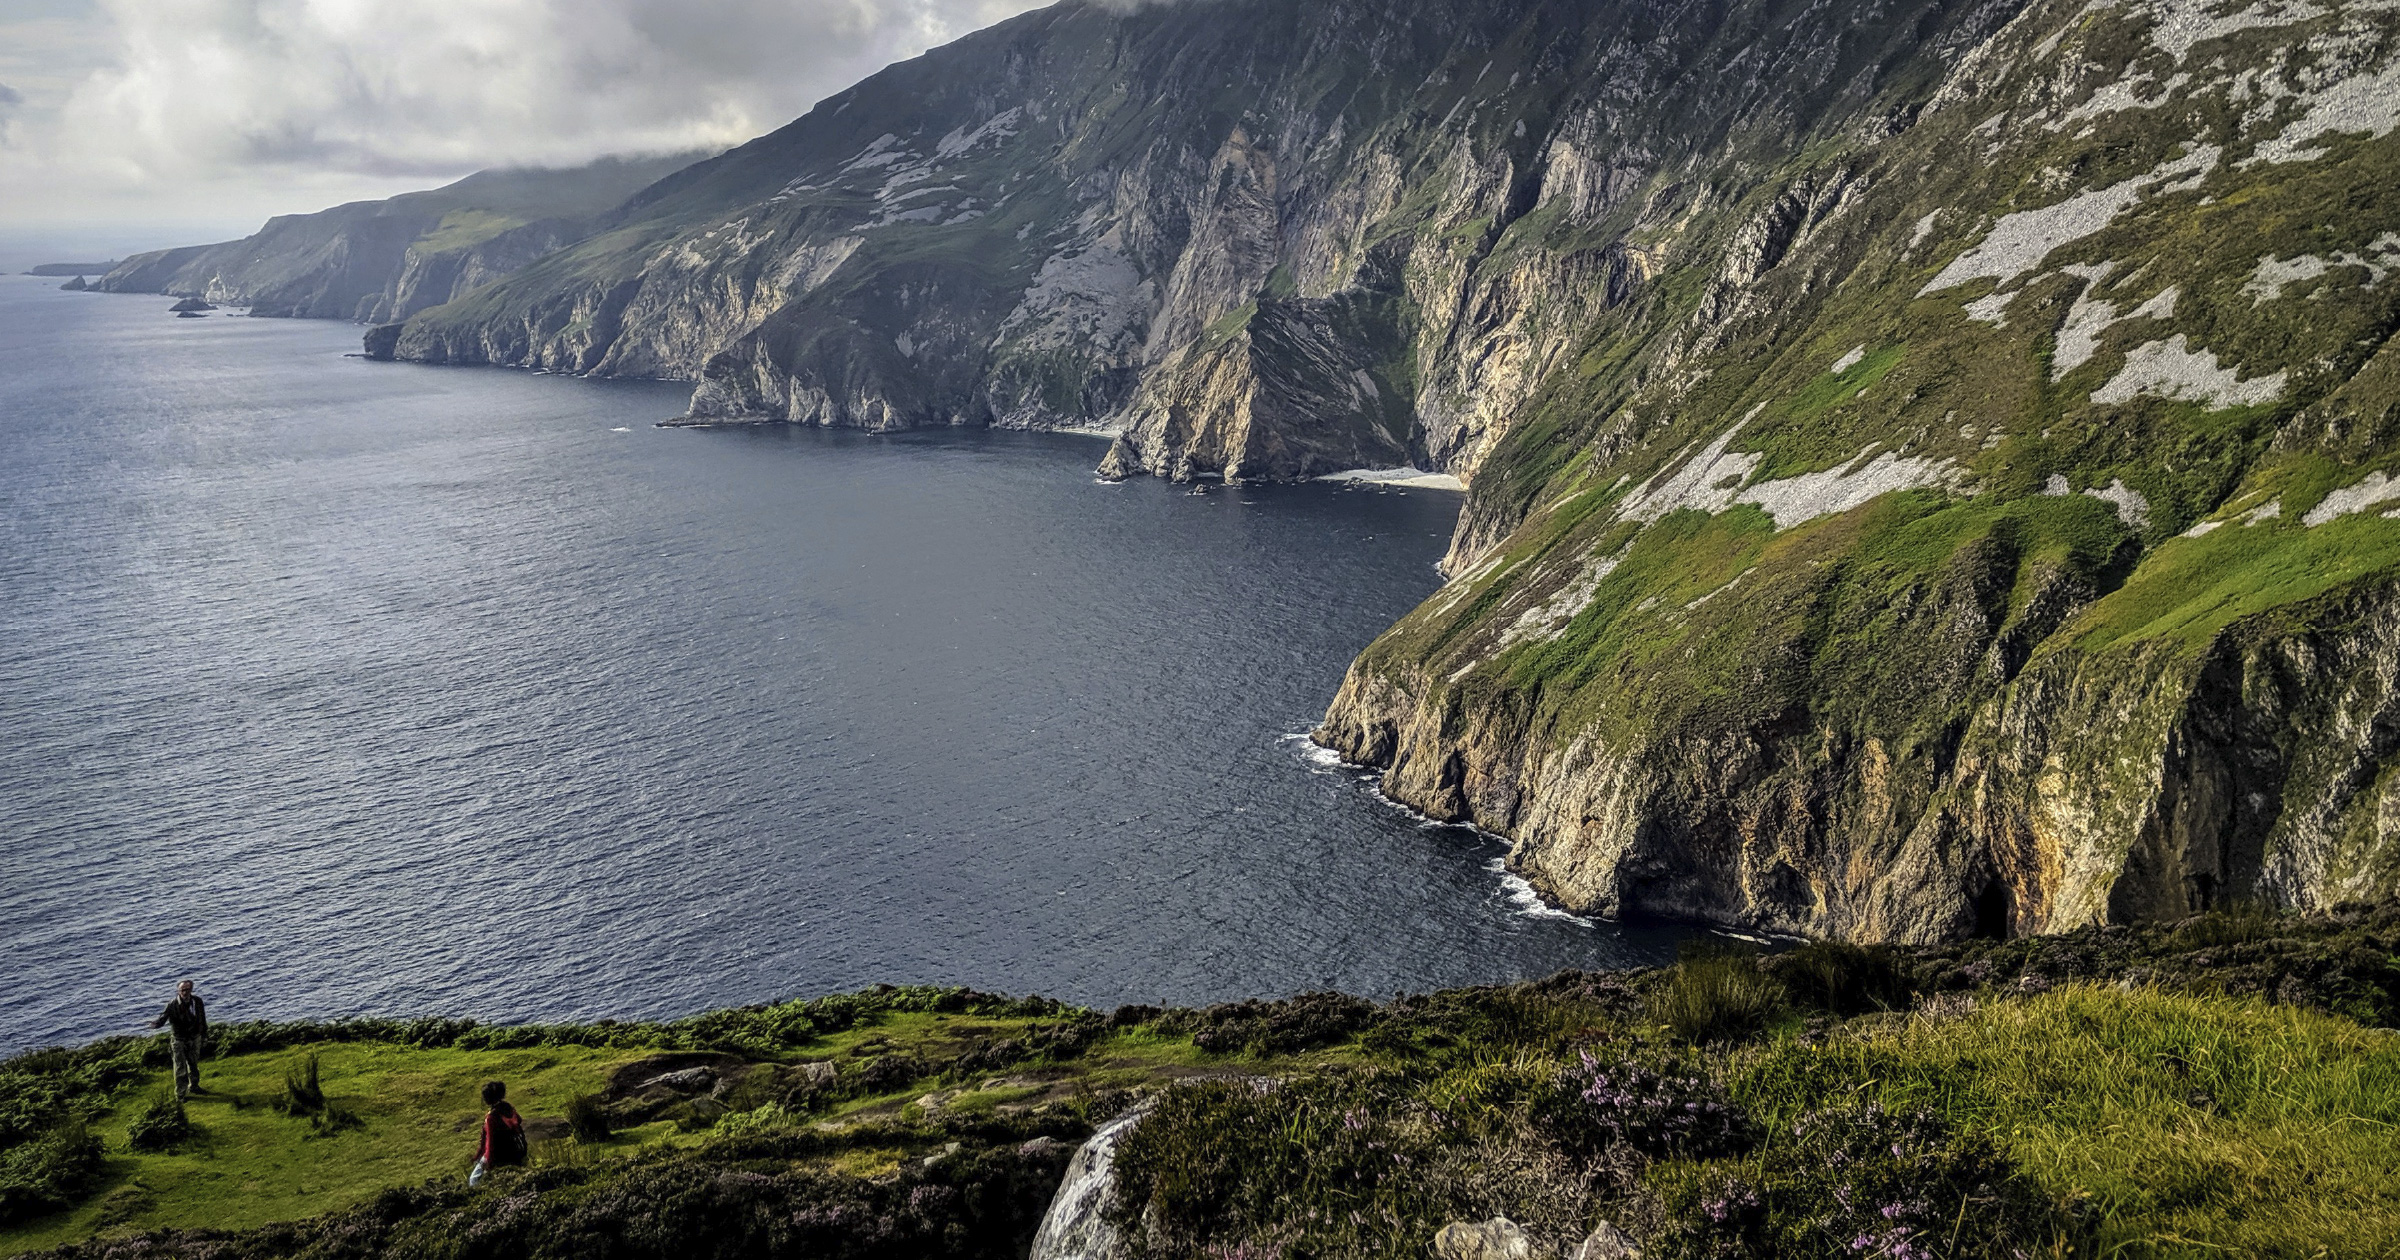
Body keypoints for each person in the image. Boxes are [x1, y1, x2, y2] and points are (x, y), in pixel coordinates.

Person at [147, 980, 207, 1099]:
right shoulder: (172, 1004)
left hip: (194, 1037)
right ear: (178, 991)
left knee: (193, 1064)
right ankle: (180, 1094)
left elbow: (202, 1018)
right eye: (182, 990)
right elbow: (163, 1018)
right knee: (180, 1067)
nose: (185, 992)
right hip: (179, 1039)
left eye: (187, 989)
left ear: (191, 989)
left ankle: (194, 1086)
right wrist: (155, 1024)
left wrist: (204, 1033)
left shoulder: (197, 1001)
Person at [469, 1080, 529, 1186]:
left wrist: (488, 1162)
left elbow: (490, 1142)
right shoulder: (509, 1108)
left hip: (499, 1155)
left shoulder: (492, 1117)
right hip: (516, 1151)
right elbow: (518, 1121)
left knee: (473, 1180)